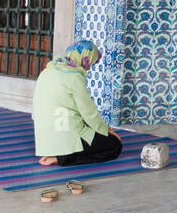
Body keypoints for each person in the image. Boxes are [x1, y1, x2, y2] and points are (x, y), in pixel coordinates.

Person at [32, 39, 122, 167]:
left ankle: (54, 151)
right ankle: (62, 157)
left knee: (89, 129)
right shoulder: (74, 77)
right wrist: (106, 131)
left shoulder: (47, 71)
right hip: (65, 133)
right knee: (114, 145)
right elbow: (89, 113)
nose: (90, 67)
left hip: (44, 138)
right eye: (91, 62)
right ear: (85, 59)